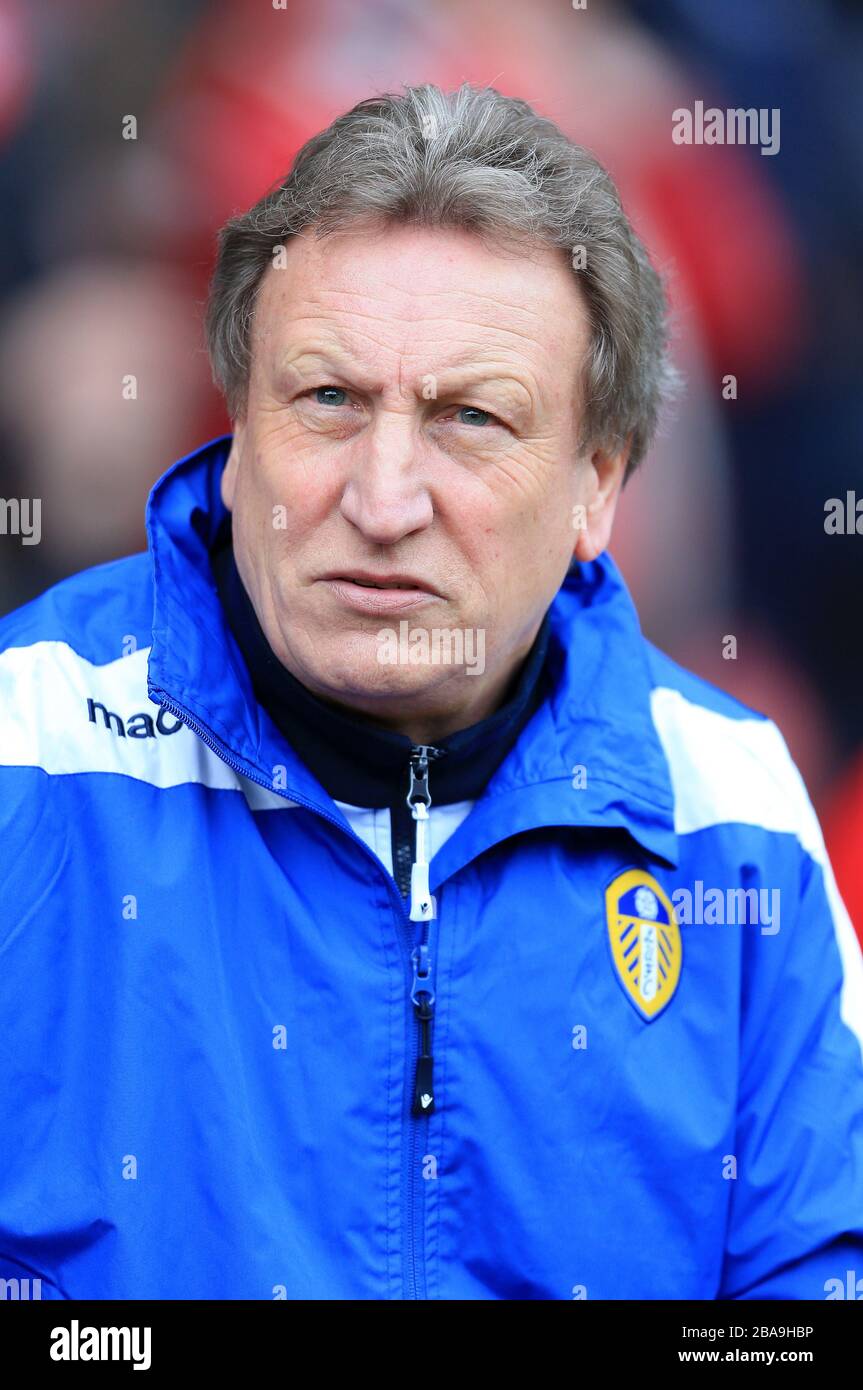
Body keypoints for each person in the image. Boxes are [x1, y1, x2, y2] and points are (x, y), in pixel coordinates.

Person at [1, 84, 861, 1302]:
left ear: (594, 491)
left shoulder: (732, 812)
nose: (384, 497)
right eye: (327, 400)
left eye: (469, 417)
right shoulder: (23, 750)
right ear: (236, 435)